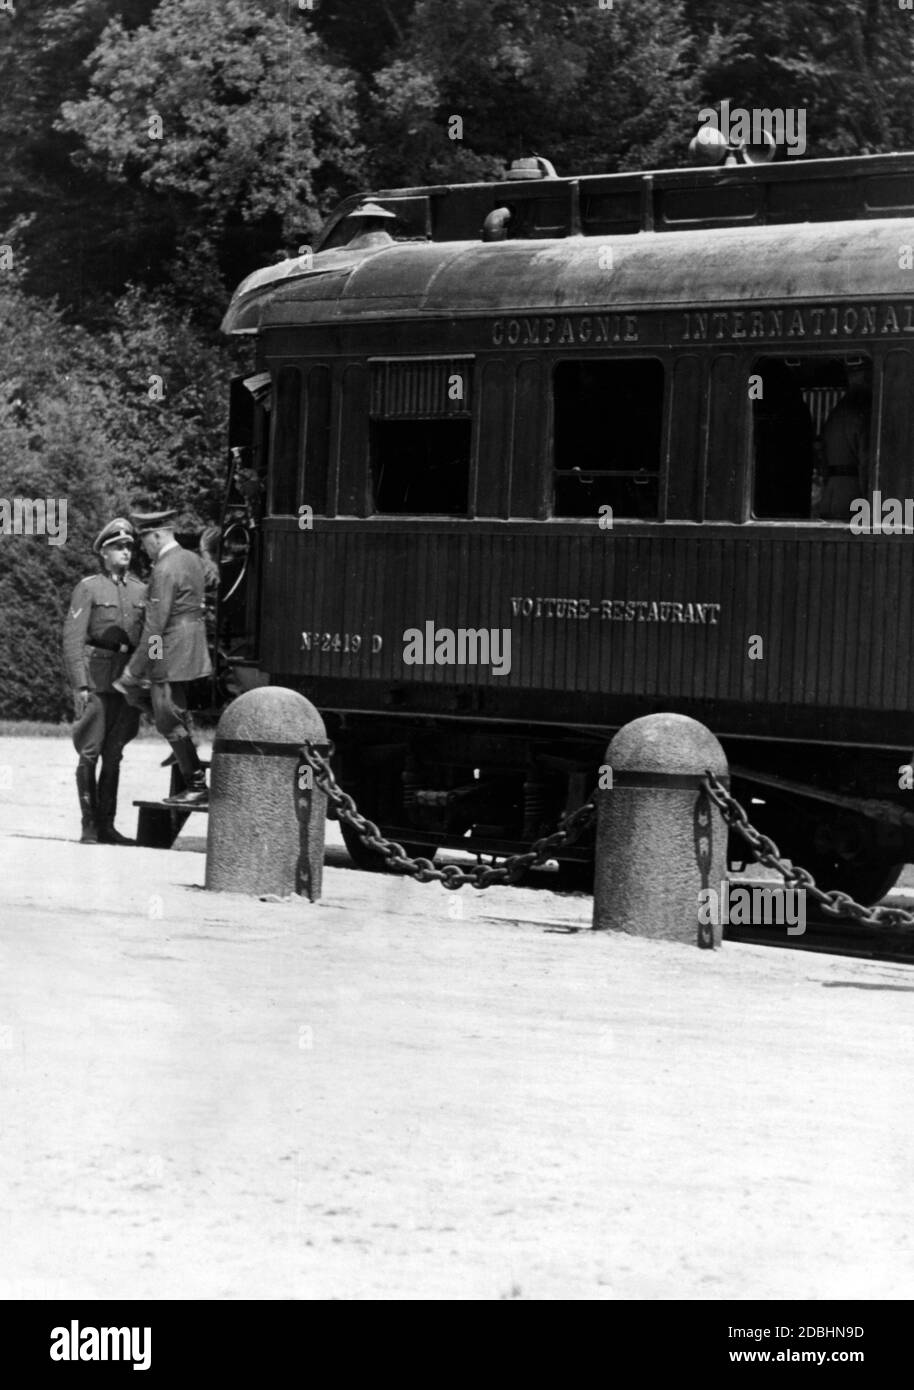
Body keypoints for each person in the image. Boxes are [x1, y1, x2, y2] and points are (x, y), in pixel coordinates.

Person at [113, 508, 211, 807]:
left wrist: (138, 667)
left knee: (163, 713)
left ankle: (196, 785)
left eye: (144, 541)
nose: (143, 548)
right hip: (191, 644)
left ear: (157, 535)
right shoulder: (192, 559)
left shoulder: (165, 568)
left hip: (170, 649)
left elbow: (156, 625)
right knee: (165, 709)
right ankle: (185, 743)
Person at [62, 517, 148, 844]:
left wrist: (152, 674)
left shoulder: (143, 590)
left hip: (127, 683)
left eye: (128, 546)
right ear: (104, 553)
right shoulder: (89, 587)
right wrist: (80, 684)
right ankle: (89, 825)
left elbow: (152, 638)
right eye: (118, 547)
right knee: (90, 752)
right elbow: (73, 639)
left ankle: (108, 825)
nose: (125, 552)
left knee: (115, 754)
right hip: (96, 681)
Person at [818, 362, 871, 520]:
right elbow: (867, 463)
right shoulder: (863, 410)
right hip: (853, 498)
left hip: (831, 494)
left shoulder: (837, 411)